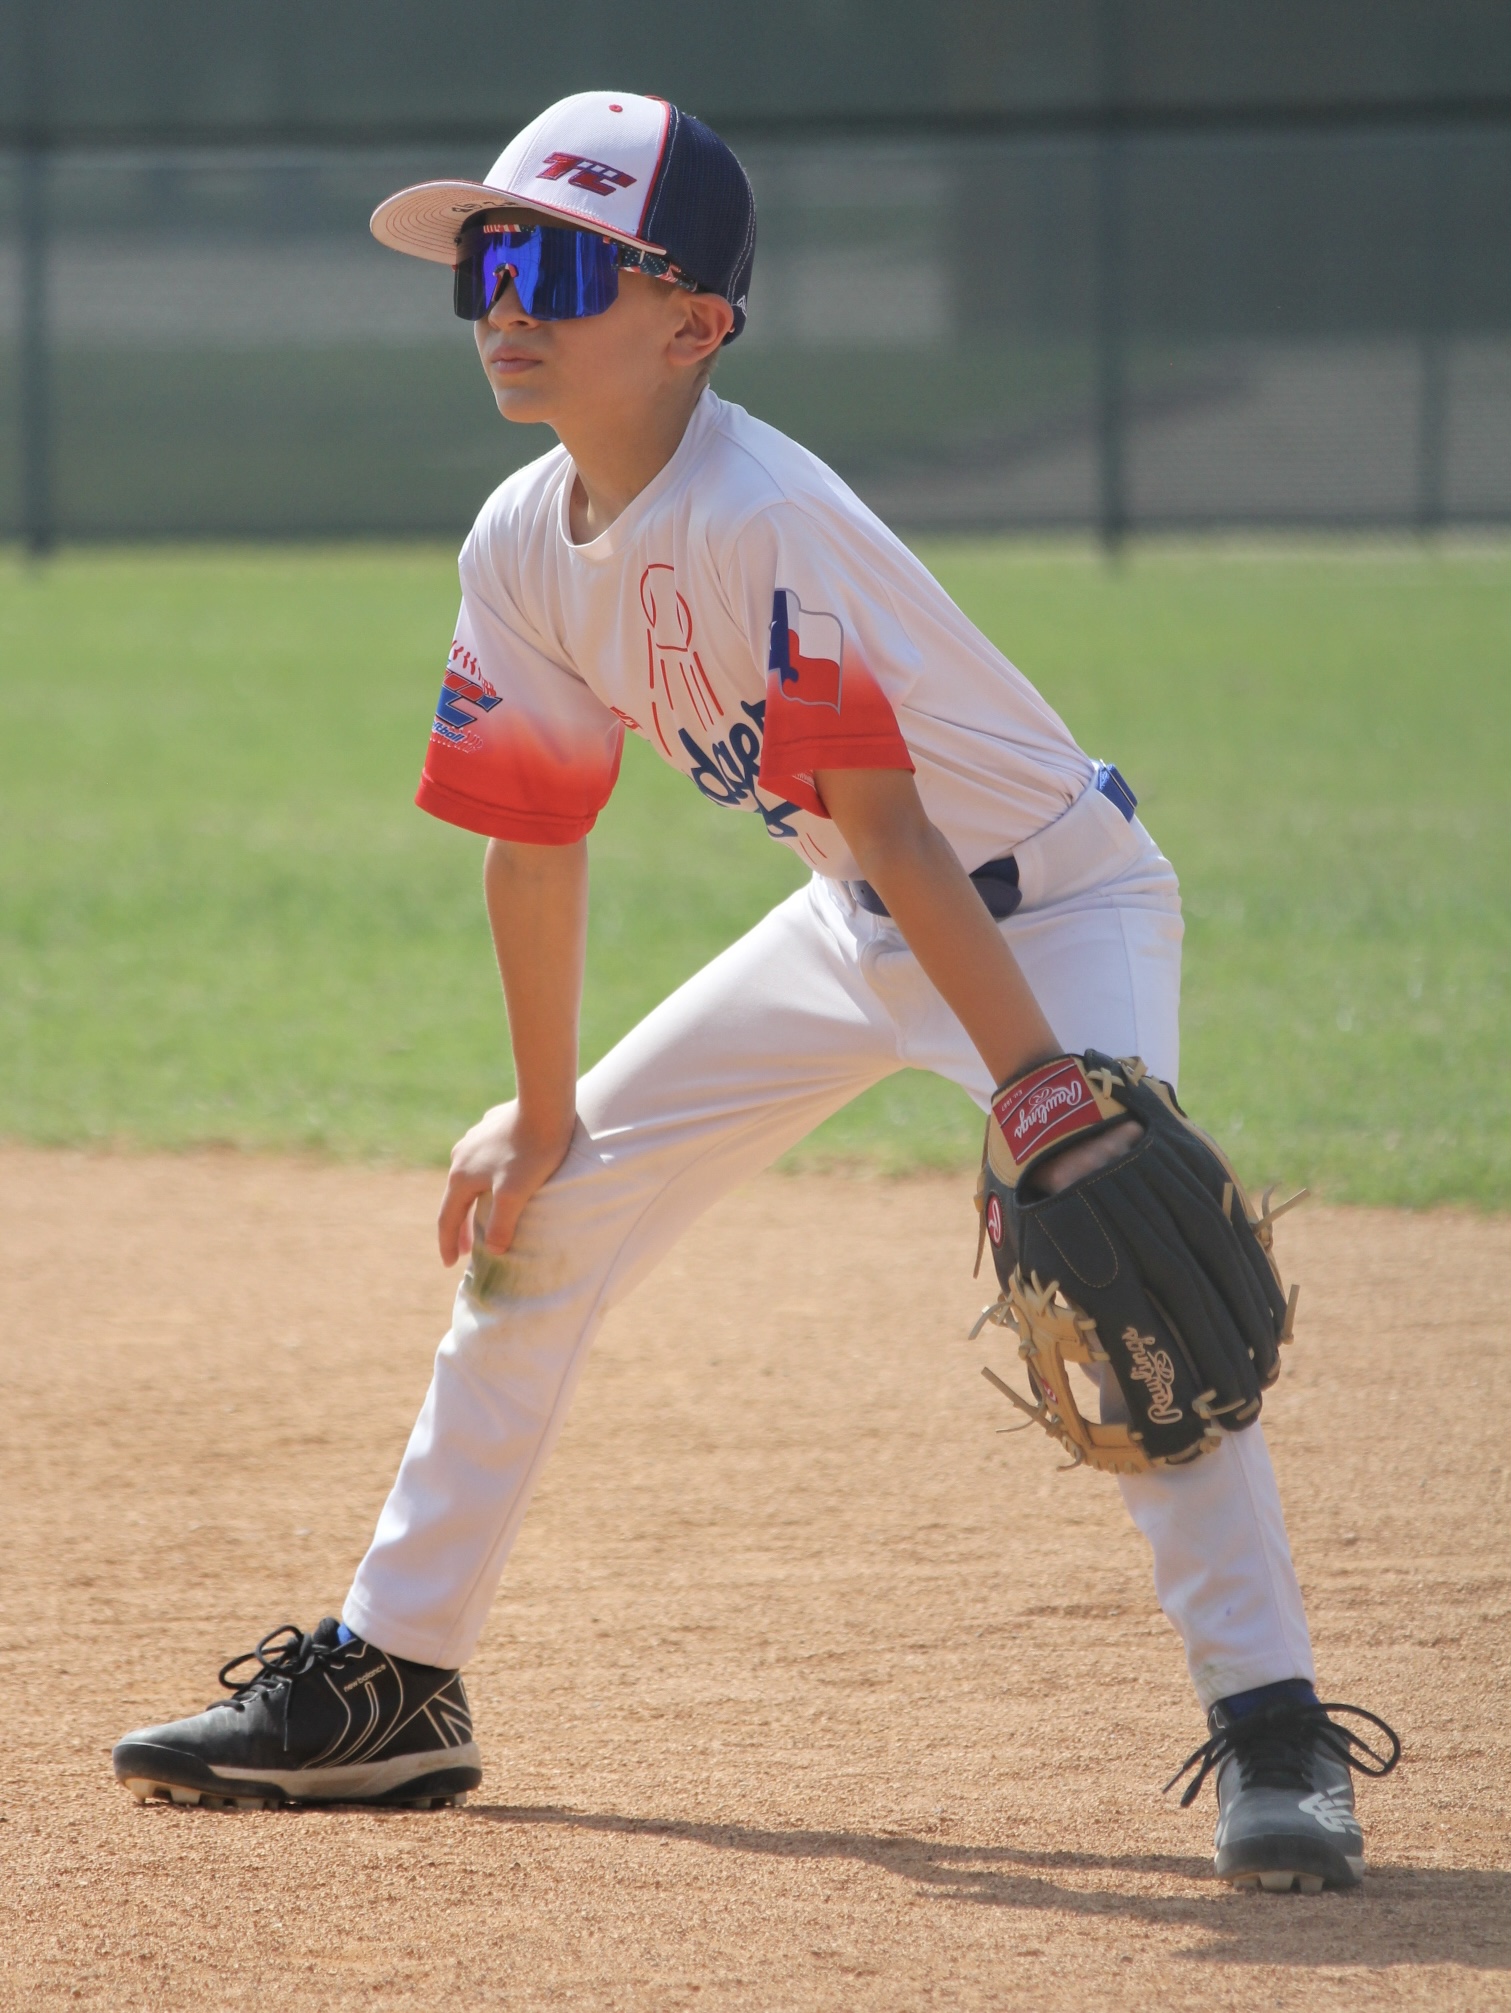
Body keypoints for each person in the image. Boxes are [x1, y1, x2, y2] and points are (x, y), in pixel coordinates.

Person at [112, 91, 1396, 1889]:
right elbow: (535, 837)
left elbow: (902, 822)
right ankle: (396, 1680)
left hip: (1046, 912)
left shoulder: (764, 515)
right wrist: (547, 1114)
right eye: (487, 259)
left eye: (555, 259)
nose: (505, 297)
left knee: (1123, 1283)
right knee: (536, 1227)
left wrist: (1043, 1091)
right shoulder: (516, 539)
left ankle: (1273, 1726)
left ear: (694, 322)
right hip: (852, 912)